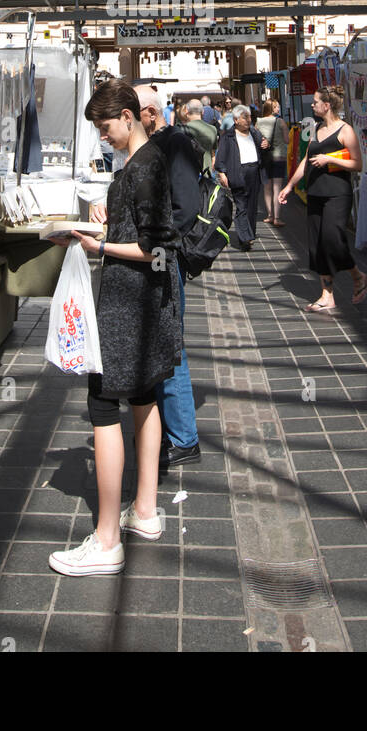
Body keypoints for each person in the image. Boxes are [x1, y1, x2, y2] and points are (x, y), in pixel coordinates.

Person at [48, 79, 179, 577]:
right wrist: (101, 226)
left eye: (106, 128)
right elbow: (147, 237)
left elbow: (157, 248)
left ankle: (106, 539)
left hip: (128, 307)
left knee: (103, 406)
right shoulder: (142, 165)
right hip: (145, 306)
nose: (103, 137)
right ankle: (144, 511)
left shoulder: (143, 168)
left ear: (129, 116)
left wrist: (97, 246)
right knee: (144, 398)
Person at [133, 86, 202, 469]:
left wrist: (153, 243)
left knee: (169, 344)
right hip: (155, 255)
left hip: (163, 256)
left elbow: (186, 207)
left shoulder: (175, 142)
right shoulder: (157, 142)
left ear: (148, 113)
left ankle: (183, 438)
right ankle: (169, 431)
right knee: (160, 342)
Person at [278, 86, 367, 312]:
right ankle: (327, 294)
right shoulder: (317, 128)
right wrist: (289, 185)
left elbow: (357, 164)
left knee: (333, 238)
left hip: (337, 193)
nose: (312, 104)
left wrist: (330, 159)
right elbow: (306, 160)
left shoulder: (345, 130)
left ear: (327, 105)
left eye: (316, 101)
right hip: (315, 192)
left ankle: (358, 276)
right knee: (317, 244)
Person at [214, 105, 268, 250]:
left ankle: (250, 233)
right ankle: (245, 238)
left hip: (254, 171)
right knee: (242, 206)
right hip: (238, 172)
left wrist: (265, 144)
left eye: (249, 117)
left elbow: (263, 146)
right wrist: (222, 173)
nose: (248, 120)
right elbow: (221, 157)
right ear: (236, 120)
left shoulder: (254, 133)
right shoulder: (228, 136)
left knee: (252, 205)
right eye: (245, 117)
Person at [255, 98, 290, 226]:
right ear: (272, 108)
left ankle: (269, 215)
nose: (278, 109)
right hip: (278, 156)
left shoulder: (258, 122)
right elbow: (287, 140)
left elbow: (254, 138)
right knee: (277, 187)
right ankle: (277, 217)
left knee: (267, 187)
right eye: (276, 107)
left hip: (265, 157)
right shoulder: (280, 122)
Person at [183, 97, 217, 172]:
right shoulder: (212, 129)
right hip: (207, 174)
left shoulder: (182, 130)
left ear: (186, 111)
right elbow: (213, 155)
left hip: (189, 175)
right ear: (202, 112)